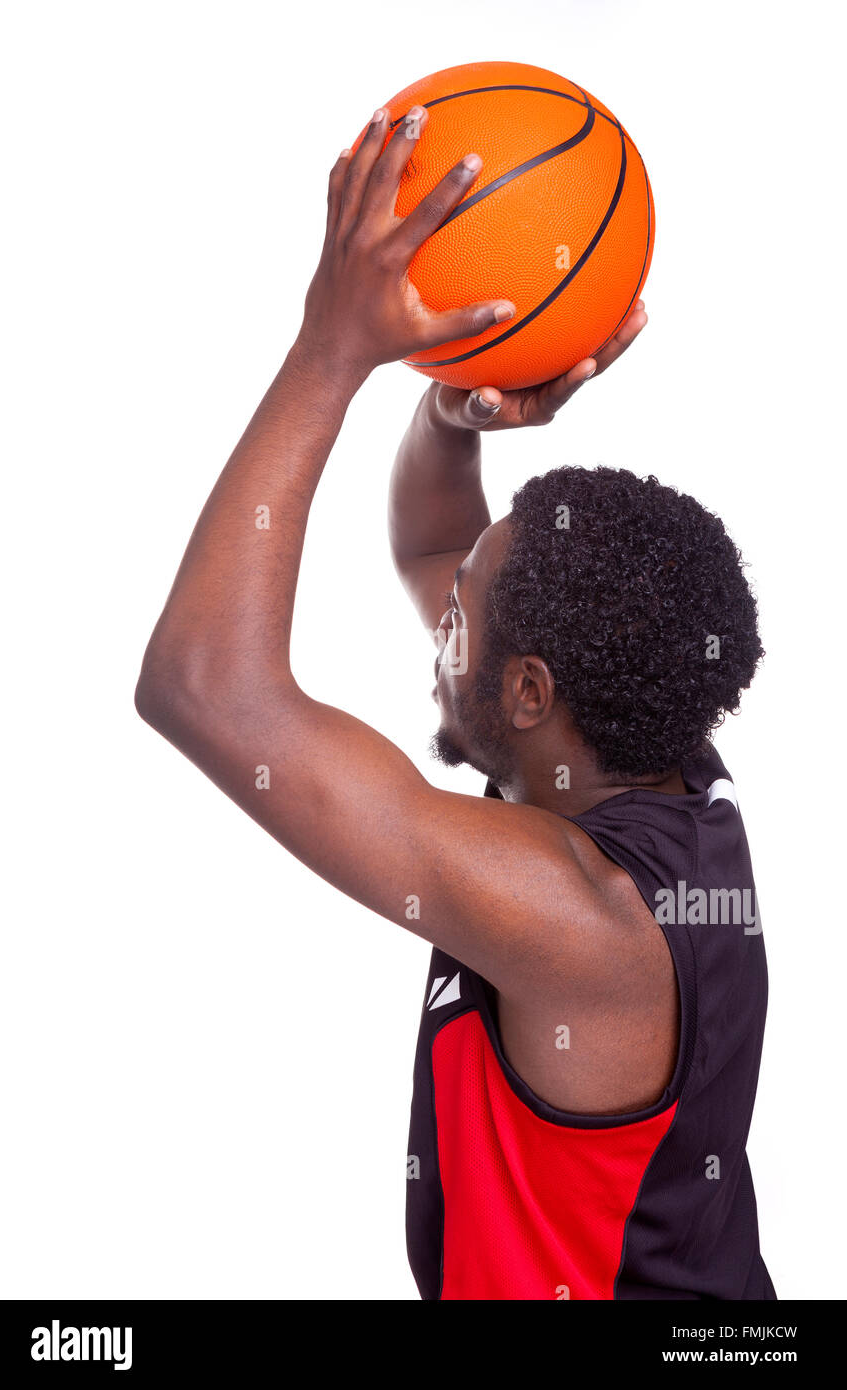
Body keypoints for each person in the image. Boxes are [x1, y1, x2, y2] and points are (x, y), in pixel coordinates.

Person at [135, 104, 774, 1300]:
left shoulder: (580, 914)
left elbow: (202, 686)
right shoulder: (630, 748)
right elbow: (436, 531)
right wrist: (448, 407)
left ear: (528, 692)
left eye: (457, 619)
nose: (438, 610)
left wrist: (331, 345)